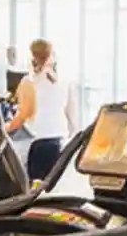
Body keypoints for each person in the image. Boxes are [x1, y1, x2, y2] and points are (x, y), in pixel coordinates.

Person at [5, 39, 78, 181]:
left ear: (32, 57)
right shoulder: (66, 81)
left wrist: (5, 128)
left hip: (37, 142)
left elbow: (23, 116)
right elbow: (73, 119)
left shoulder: (28, 82)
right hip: (60, 142)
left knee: (33, 187)